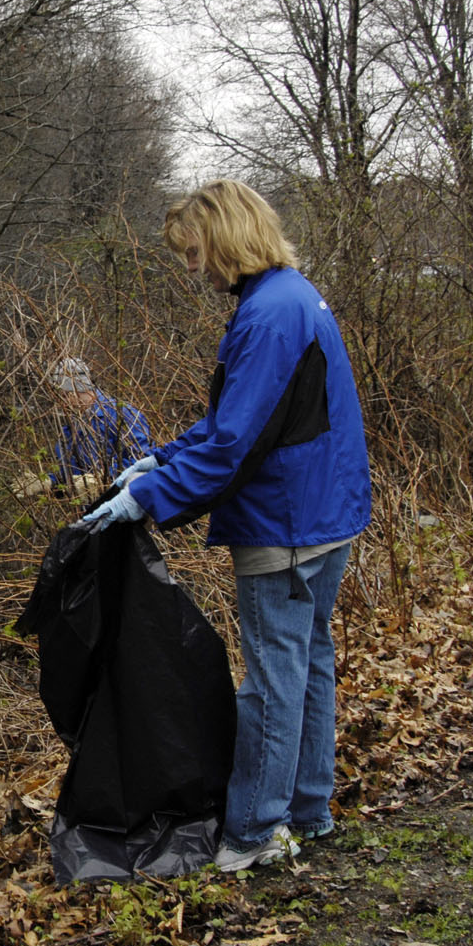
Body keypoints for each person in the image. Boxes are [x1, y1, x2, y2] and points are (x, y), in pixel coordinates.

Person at [81, 179, 371, 873]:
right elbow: (240, 419)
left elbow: (237, 441)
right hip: (326, 514)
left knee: (273, 677)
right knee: (308, 664)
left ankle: (253, 833)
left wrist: (148, 499)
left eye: (193, 251)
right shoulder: (287, 297)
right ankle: (308, 809)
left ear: (225, 237)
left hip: (290, 524)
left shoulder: (269, 314)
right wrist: (161, 458)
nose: (192, 267)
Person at [40, 357, 153, 495]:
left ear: (73, 391)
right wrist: (49, 482)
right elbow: (73, 478)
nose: (61, 403)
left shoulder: (120, 414)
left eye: (63, 396)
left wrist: (104, 478)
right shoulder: (70, 428)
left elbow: (143, 462)